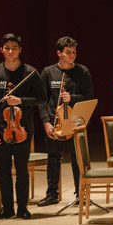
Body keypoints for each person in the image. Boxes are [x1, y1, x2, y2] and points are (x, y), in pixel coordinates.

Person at [0, 33, 47, 220]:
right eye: (7, 48)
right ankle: (7, 208)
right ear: (1, 50)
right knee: (3, 170)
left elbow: (42, 98)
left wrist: (21, 101)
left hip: (23, 129)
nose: (11, 51)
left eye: (14, 48)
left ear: (20, 50)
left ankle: (22, 208)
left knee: (21, 169)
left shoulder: (30, 73)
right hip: (1, 129)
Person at [37, 36, 93, 207]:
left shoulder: (82, 71)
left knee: (78, 159)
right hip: (56, 122)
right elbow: (42, 99)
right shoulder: (48, 72)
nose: (72, 55)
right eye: (68, 52)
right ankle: (52, 194)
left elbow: (89, 96)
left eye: (74, 52)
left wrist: (72, 97)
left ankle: (80, 194)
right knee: (53, 158)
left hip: (76, 122)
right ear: (59, 53)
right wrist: (46, 121)